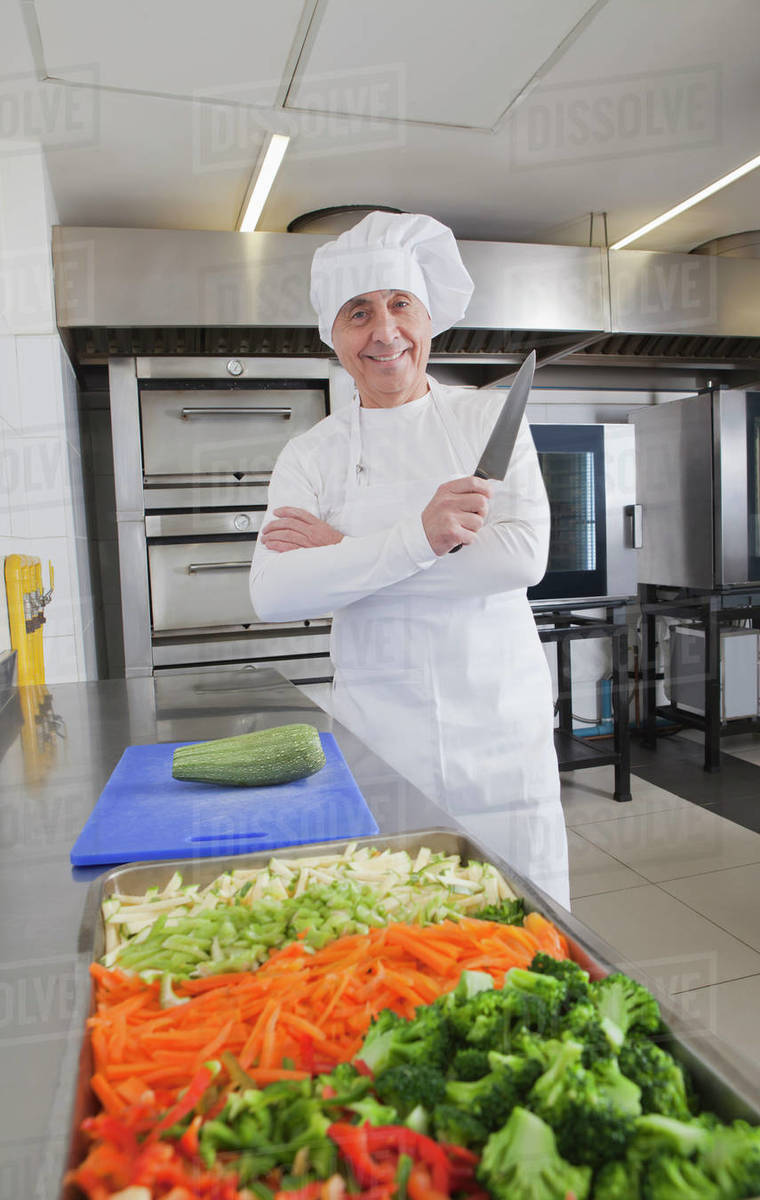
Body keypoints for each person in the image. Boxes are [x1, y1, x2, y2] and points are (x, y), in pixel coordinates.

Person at [249, 211, 570, 909]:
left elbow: (521, 558)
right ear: (333, 337)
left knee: (524, 926)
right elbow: (273, 592)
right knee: (401, 930)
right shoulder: (312, 455)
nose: (384, 331)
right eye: (358, 312)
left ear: (428, 320)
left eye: (400, 305)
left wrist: (341, 553)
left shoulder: (487, 422)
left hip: (500, 735)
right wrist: (421, 537)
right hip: (382, 740)